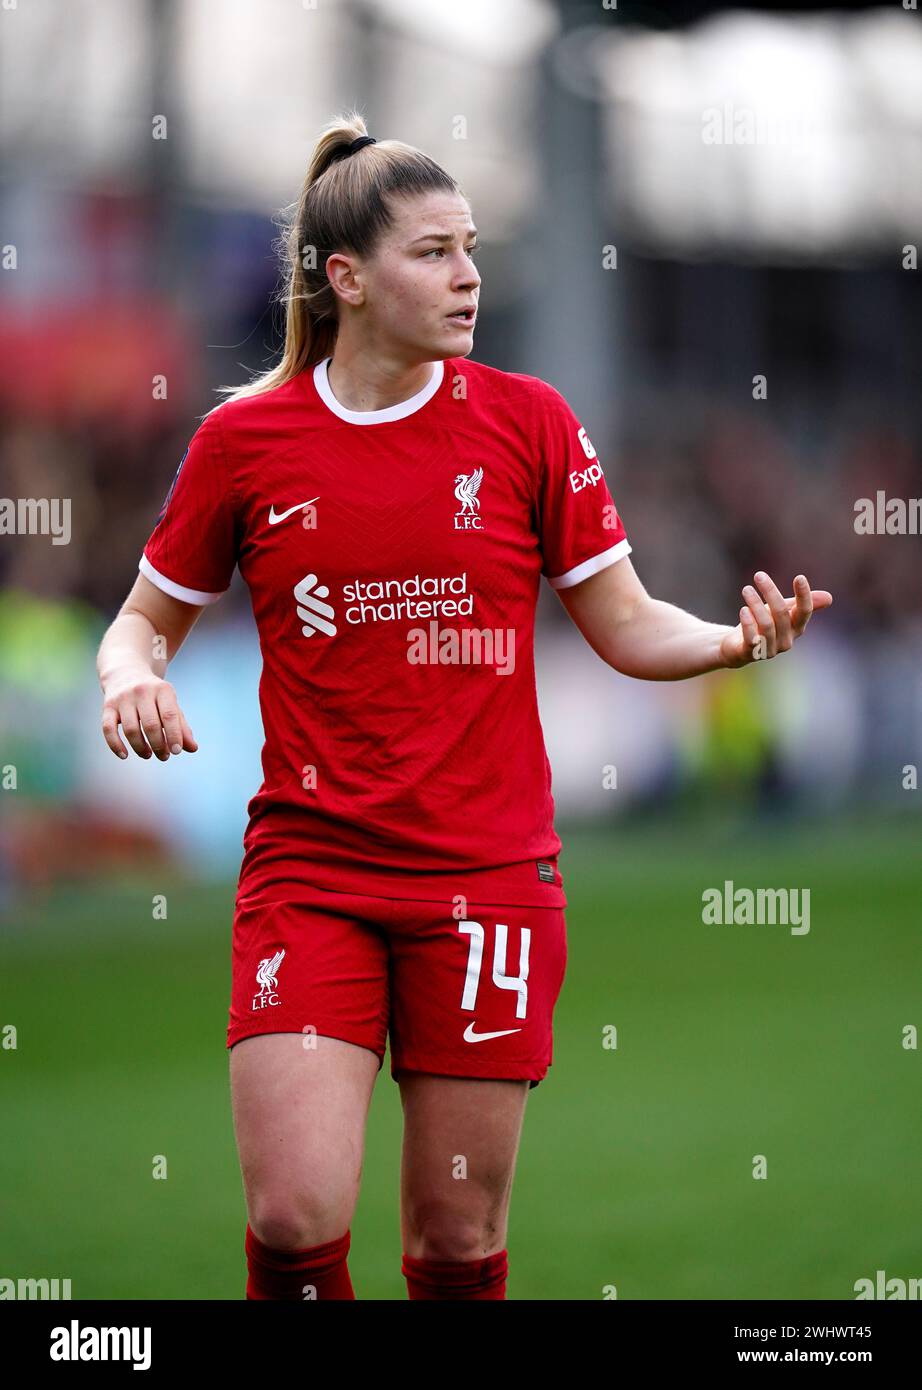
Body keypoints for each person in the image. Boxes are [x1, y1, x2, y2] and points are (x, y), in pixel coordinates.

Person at [96, 111, 833, 1301]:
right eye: (433, 251)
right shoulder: (245, 444)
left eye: (472, 245)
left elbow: (628, 621)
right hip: (311, 871)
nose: (470, 273)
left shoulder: (527, 423)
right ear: (346, 279)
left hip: (484, 880)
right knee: (292, 1217)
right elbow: (140, 619)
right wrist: (133, 674)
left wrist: (731, 643)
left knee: (454, 1241)